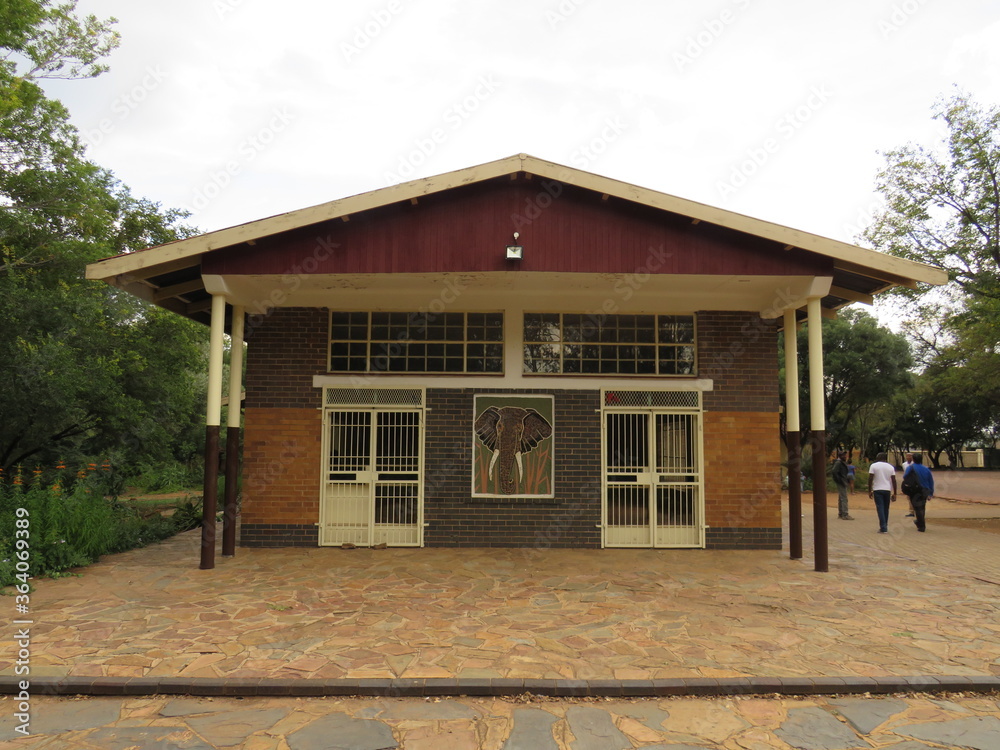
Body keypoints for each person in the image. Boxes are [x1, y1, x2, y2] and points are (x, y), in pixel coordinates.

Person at [902, 454, 934, 532]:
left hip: (915, 490)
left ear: (913, 459)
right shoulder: (926, 469)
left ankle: (921, 525)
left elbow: (905, 477)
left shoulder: (910, 467)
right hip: (925, 490)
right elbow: (931, 481)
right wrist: (931, 493)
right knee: (922, 506)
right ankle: (920, 523)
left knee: (917, 508)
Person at [868, 452, 897, 533]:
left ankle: (883, 527)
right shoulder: (890, 467)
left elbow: (870, 478)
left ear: (878, 457)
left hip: (877, 489)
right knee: (885, 508)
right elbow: (894, 480)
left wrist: (869, 490)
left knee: (880, 507)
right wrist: (895, 493)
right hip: (887, 489)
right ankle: (885, 525)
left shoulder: (873, 465)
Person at [831, 451, 853, 520]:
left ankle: (841, 513)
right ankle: (845, 514)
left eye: (845, 455)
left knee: (841, 498)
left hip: (843, 481)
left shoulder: (842, 462)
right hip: (841, 481)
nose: (845, 457)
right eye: (844, 455)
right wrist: (839, 480)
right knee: (844, 498)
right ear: (840, 456)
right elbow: (834, 471)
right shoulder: (838, 463)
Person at [902, 452, 916, 517]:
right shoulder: (904, 464)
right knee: (909, 497)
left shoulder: (915, 464)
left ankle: (916, 511)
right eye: (907, 456)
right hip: (908, 482)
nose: (908, 457)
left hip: (914, 482)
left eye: (910, 456)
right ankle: (911, 512)